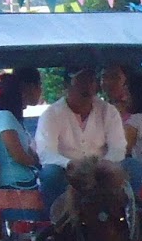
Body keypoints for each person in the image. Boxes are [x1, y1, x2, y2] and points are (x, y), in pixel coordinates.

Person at [33, 68, 127, 211]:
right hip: (67, 173)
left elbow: (118, 147)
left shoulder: (108, 111)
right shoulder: (51, 114)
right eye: (81, 82)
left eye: (91, 82)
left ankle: (128, 217)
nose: (87, 87)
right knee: (50, 174)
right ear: (67, 86)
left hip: (103, 172)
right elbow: (46, 152)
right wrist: (69, 164)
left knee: (131, 167)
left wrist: (105, 164)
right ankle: (56, 219)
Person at [0, 68, 43, 190]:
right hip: (16, 184)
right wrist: (36, 163)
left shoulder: (12, 118)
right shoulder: (4, 116)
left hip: (25, 180)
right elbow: (18, 155)